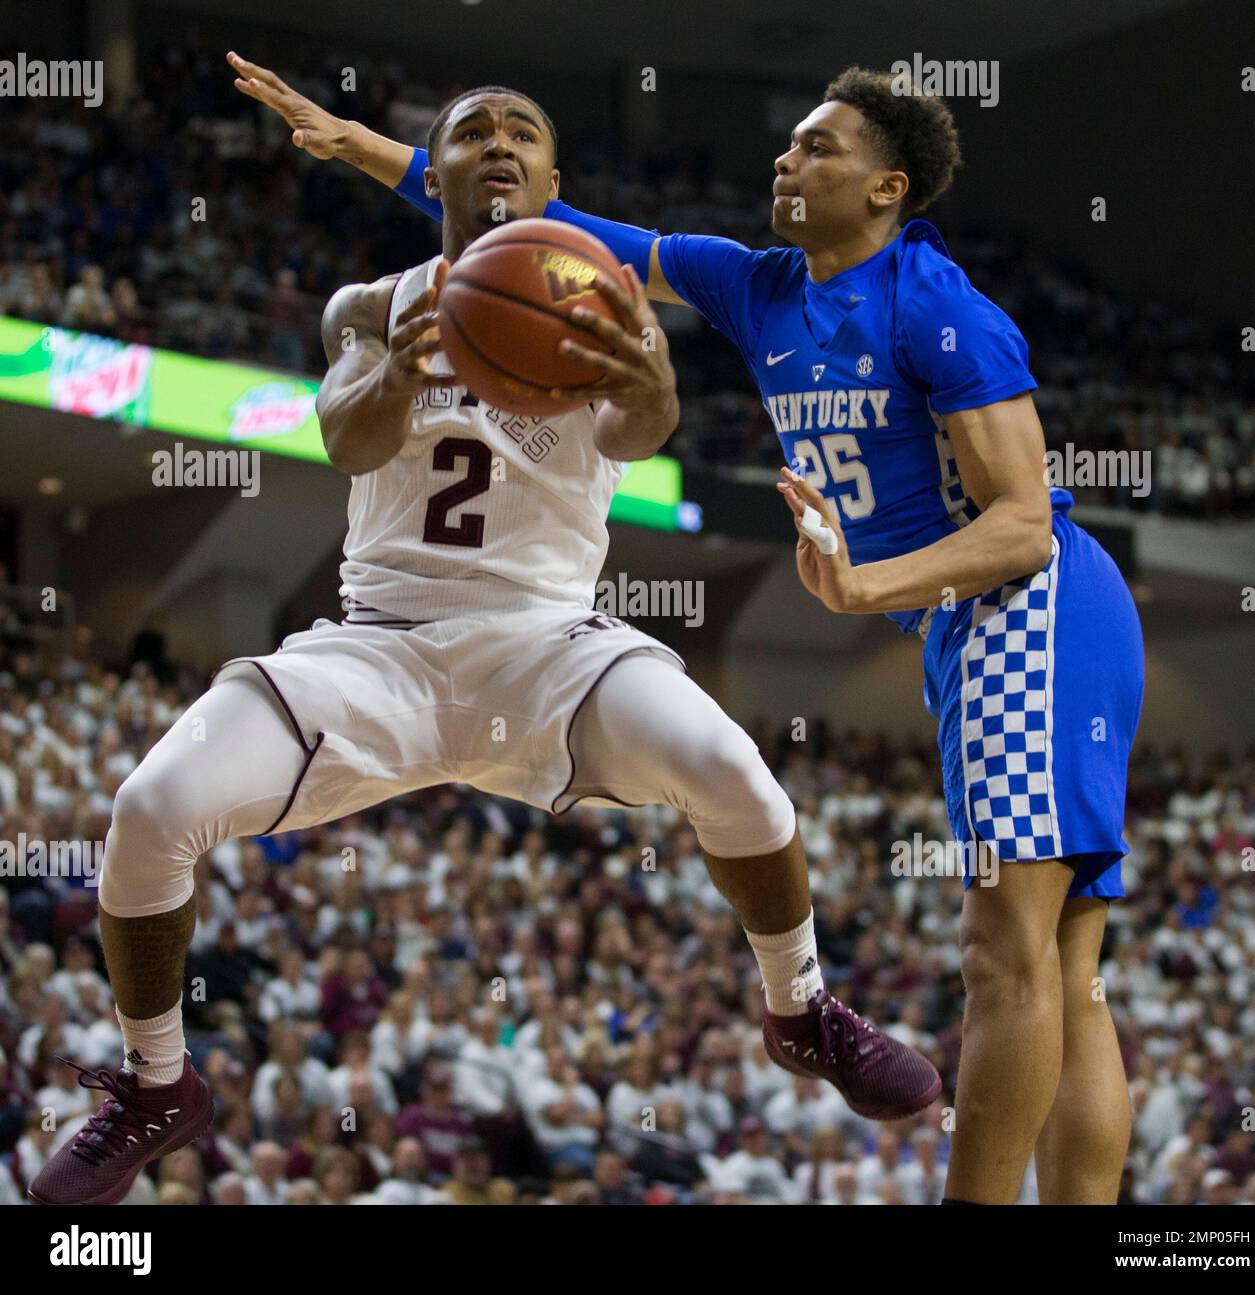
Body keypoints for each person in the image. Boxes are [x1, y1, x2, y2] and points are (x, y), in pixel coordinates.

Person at [236, 54, 1143, 1206]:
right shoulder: (752, 283)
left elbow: (1020, 523)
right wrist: (355, 144)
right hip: (972, 623)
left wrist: (868, 588)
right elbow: (543, 221)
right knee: (1067, 970)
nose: (787, 157)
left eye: (819, 146)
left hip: (1034, 601)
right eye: (790, 141)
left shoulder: (937, 303)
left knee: (1002, 948)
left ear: (888, 187)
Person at [30, 76, 939, 1208]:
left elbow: (640, 428)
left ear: (555, 185)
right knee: (148, 810)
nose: (498, 145)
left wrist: (652, 382)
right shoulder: (370, 304)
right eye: (472, 131)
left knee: (735, 777)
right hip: (378, 649)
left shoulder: (604, 302)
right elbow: (347, 441)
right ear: (437, 169)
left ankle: (801, 1008)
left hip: (548, 645)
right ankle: (158, 1083)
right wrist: (403, 371)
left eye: (524, 135)